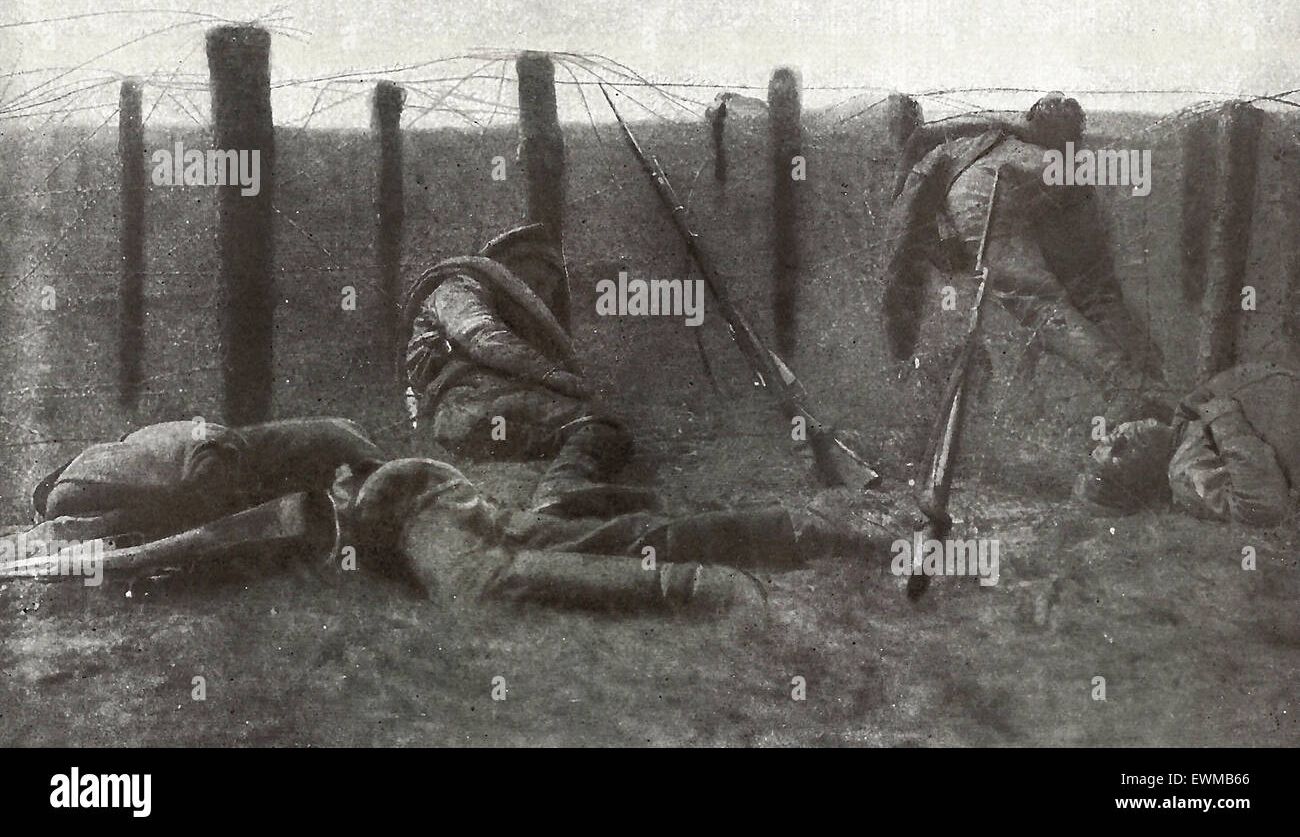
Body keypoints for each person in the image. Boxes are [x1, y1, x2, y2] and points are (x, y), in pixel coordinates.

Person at [883, 92, 1174, 424]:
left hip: (994, 182)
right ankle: (1157, 385)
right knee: (1096, 292)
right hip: (1057, 171)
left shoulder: (923, 163)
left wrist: (899, 358)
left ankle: (1125, 386)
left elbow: (899, 262)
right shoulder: (977, 135)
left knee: (1035, 299)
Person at [338, 456, 891, 614]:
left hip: (401, 502)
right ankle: (798, 533)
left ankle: (693, 586)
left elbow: (338, 447)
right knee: (576, 539)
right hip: (415, 494)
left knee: (485, 582)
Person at [402, 223, 655, 518]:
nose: (543, 293)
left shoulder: (491, 302)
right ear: (513, 266)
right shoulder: (459, 286)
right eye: (540, 279)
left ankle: (560, 502)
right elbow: (482, 337)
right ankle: (560, 491)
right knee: (599, 424)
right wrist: (555, 377)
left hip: (477, 411)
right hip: (472, 403)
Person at [16, 416, 386, 550]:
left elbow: (194, 469)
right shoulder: (118, 449)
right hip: (223, 453)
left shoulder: (80, 477)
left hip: (217, 457)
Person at [1074, 362, 1300, 525]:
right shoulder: (1184, 473)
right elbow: (1261, 505)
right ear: (1142, 483)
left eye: (1110, 437)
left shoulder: (1187, 416)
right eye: (1119, 453)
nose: (1119, 437)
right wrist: (1223, 417)